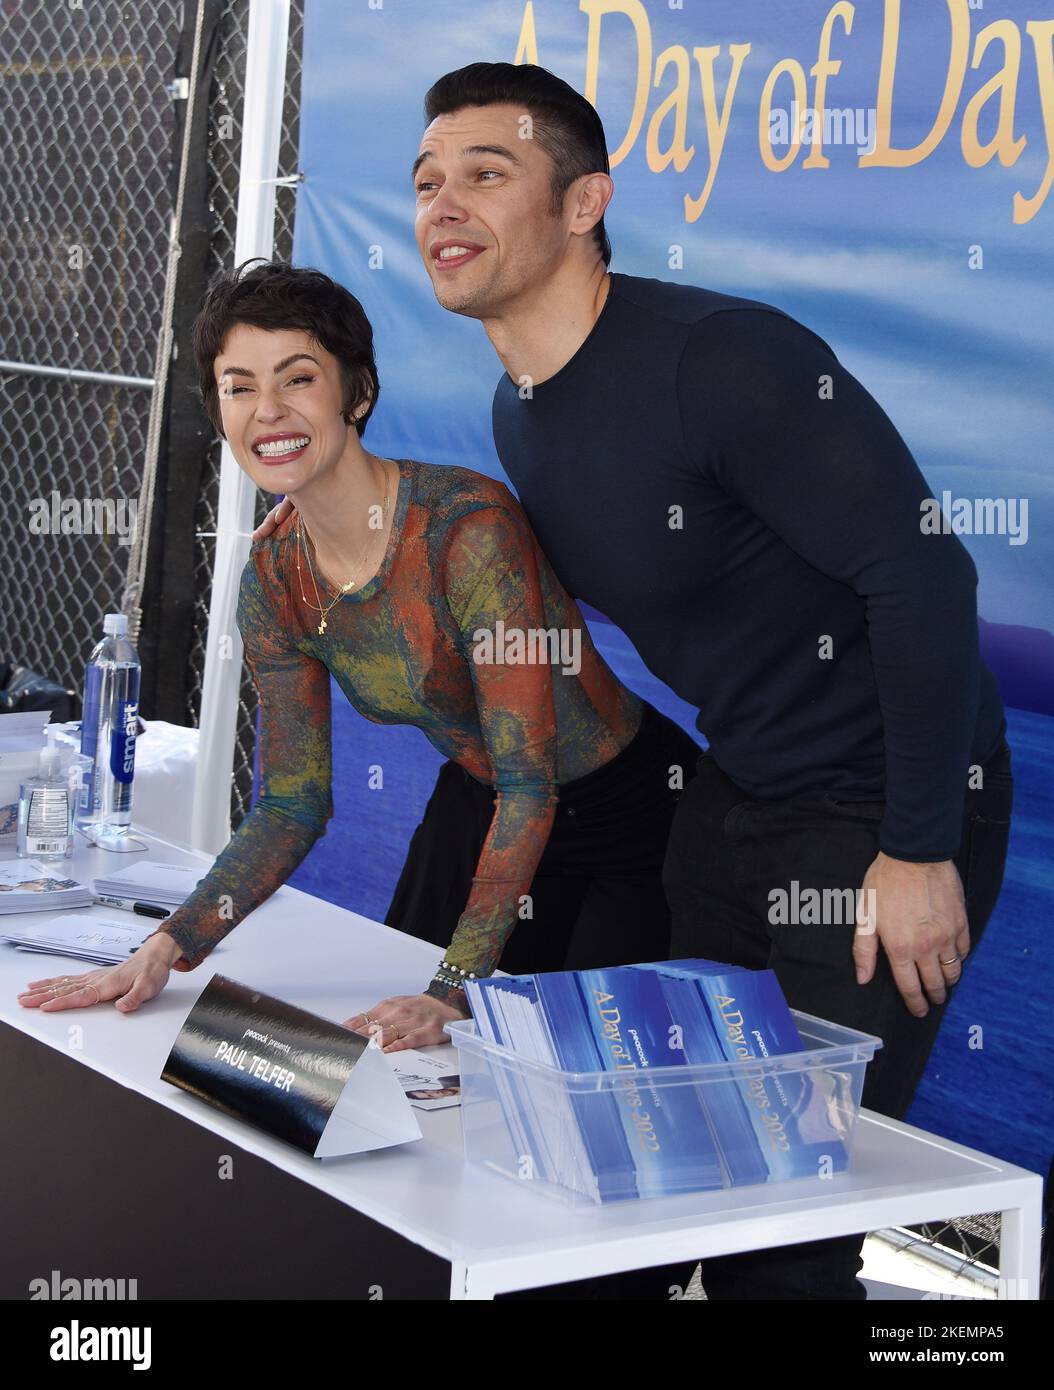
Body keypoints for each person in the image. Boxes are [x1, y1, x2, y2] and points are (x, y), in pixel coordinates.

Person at [256, 61, 1013, 1301]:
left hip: (878, 820)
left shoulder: (724, 358)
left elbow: (925, 580)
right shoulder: (519, 410)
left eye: (487, 174)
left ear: (584, 202)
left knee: (786, 1223)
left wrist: (920, 849)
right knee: (670, 1179)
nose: (443, 204)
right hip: (729, 799)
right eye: (427, 180)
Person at [18, 258, 701, 1061]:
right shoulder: (274, 579)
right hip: (482, 799)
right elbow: (293, 804)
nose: (267, 411)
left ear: (359, 394)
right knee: (386, 1061)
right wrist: (170, 947)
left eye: (297, 379)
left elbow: (532, 779)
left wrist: (452, 989)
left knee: (578, 1064)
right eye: (239, 387)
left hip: (630, 812)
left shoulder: (465, 530)